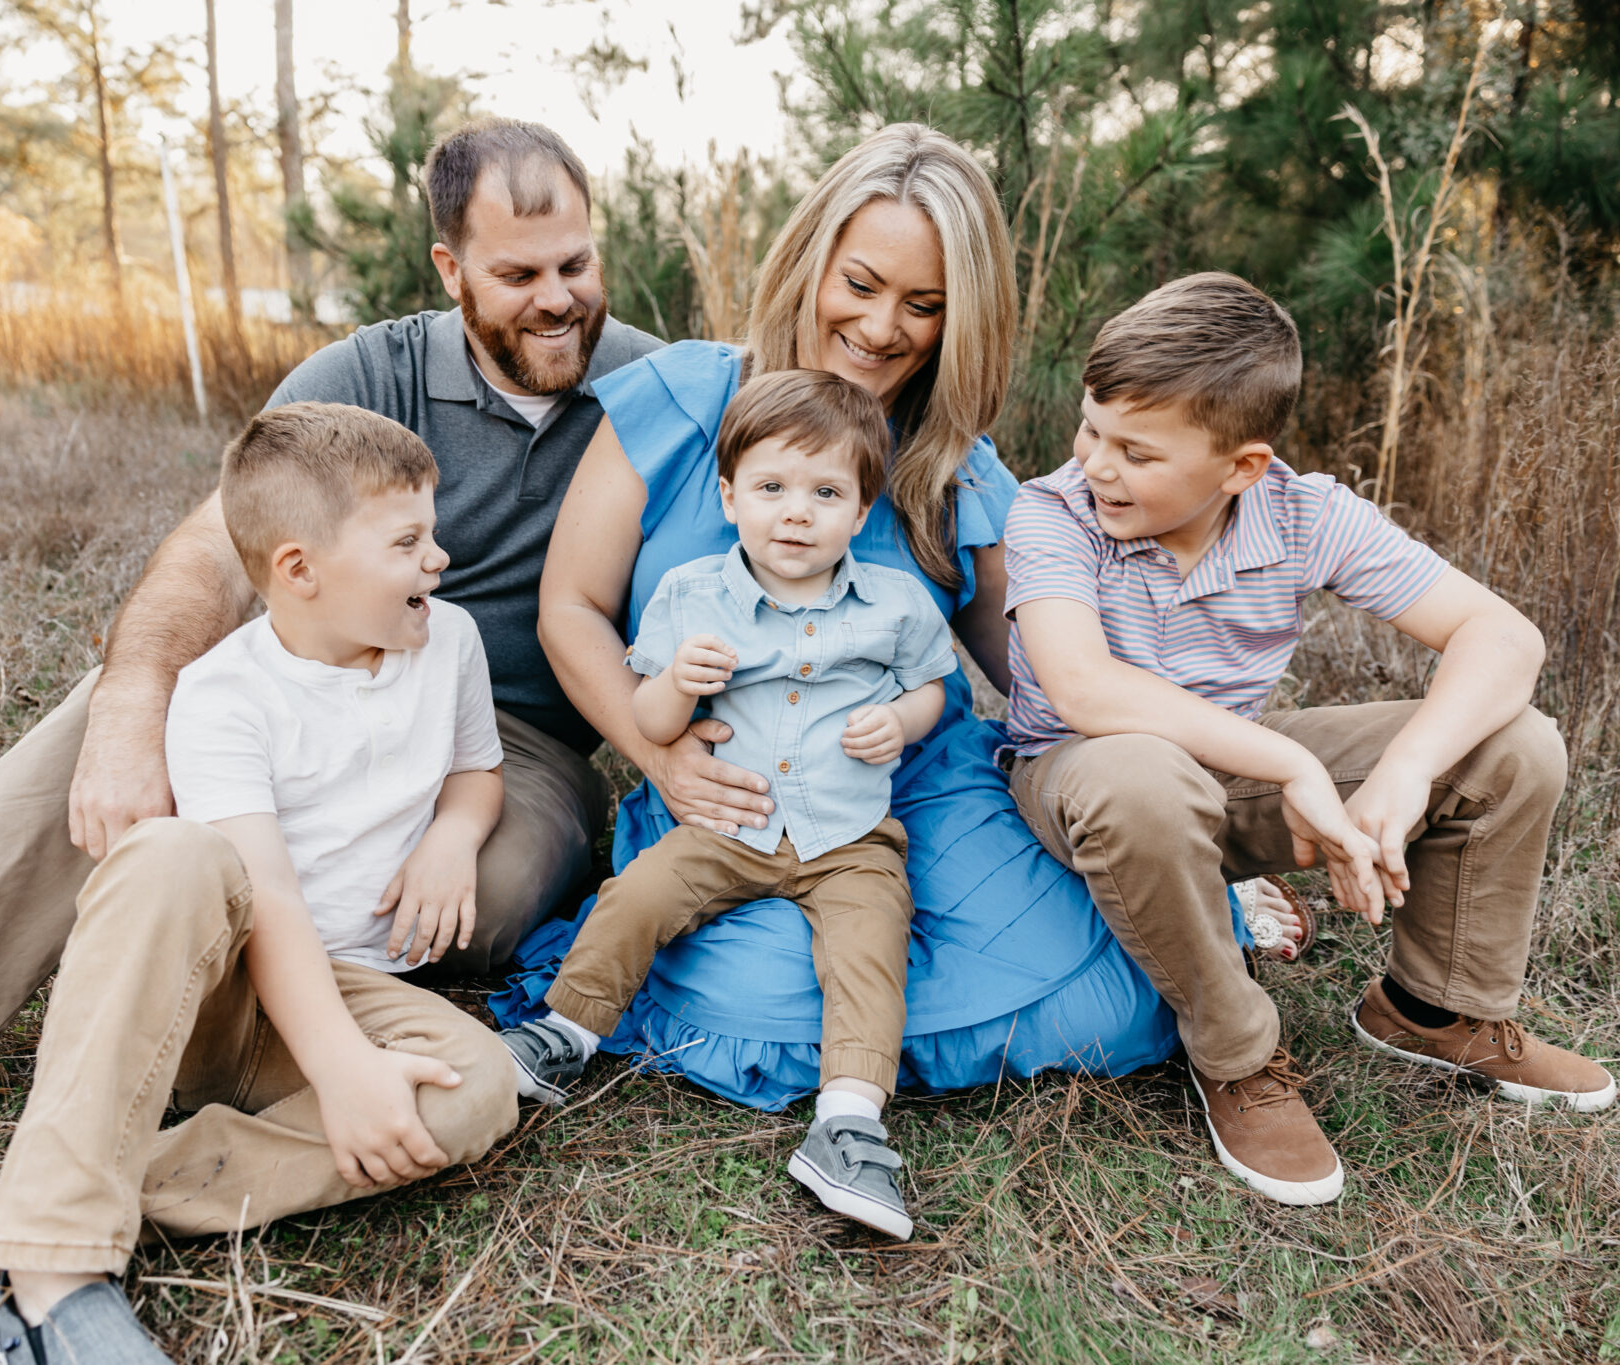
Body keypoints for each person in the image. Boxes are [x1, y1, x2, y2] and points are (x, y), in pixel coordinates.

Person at [0, 117, 660, 1197]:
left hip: (515, 740)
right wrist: (130, 702)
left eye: (576, 265)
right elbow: (215, 551)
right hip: (320, 679)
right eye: (518, 273)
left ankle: (232, 1025)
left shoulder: (652, 384)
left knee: (470, 894)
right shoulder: (366, 373)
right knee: (114, 719)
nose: (556, 298)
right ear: (449, 268)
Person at [493, 122, 1191, 1125]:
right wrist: (662, 761)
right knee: (754, 1005)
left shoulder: (952, 463)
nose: (879, 329)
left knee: (1108, 997)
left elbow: (1034, 666)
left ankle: (880, 1047)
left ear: (960, 320)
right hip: (723, 792)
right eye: (859, 285)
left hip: (913, 792)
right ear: (810, 261)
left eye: (923, 305)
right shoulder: (685, 398)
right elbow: (569, 608)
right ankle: (854, 1048)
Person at [0, 403, 519, 1363]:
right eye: (408, 540)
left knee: (477, 1088)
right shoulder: (224, 691)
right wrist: (341, 1069)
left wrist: (455, 837)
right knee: (178, 854)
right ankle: (48, 1292)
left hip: (353, 987)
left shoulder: (448, 641)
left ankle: (35, 1207)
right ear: (299, 569)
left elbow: (477, 770)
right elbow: (269, 898)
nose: (440, 560)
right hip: (220, 993)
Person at [1001, 272, 1617, 1207]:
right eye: (1092, 428)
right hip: (1081, 775)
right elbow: (1084, 689)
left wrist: (1403, 774)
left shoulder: (1302, 512)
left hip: (1222, 770)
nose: (1096, 464)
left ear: (1241, 466)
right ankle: (1239, 1055)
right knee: (1142, 776)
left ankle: (1432, 1008)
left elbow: (1505, 638)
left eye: (1136, 450)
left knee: (1514, 744)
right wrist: (1292, 764)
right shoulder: (1054, 513)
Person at [502, 370, 956, 1239]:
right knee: (635, 895)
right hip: (727, 824)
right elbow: (648, 719)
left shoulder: (893, 603)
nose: (797, 512)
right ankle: (565, 1031)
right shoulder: (690, 595)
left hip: (848, 835)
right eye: (772, 488)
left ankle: (849, 1122)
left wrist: (898, 721)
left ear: (861, 511)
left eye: (827, 493)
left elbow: (933, 687)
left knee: (871, 939)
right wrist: (676, 685)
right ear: (729, 494)